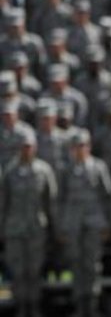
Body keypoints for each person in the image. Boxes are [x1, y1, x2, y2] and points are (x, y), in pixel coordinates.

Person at [58, 130, 111, 317]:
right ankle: (78, 304)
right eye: (76, 147)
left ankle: (92, 305)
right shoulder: (66, 170)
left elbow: (107, 196)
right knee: (76, 264)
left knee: (92, 265)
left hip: (94, 223)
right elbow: (61, 199)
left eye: (83, 146)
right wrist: (63, 227)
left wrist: (107, 224)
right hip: (73, 224)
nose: (79, 150)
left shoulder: (99, 167)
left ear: (88, 147)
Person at [2, 130, 58, 317]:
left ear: (35, 148)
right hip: (15, 228)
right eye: (23, 147)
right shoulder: (10, 172)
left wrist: (53, 229)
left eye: (29, 147)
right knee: (18, 271)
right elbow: (4, 203)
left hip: (37, 228)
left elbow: (51, 201)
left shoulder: (44, 170)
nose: (26, 150)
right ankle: (20, 307)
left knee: (34, 271)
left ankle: (34, 307)